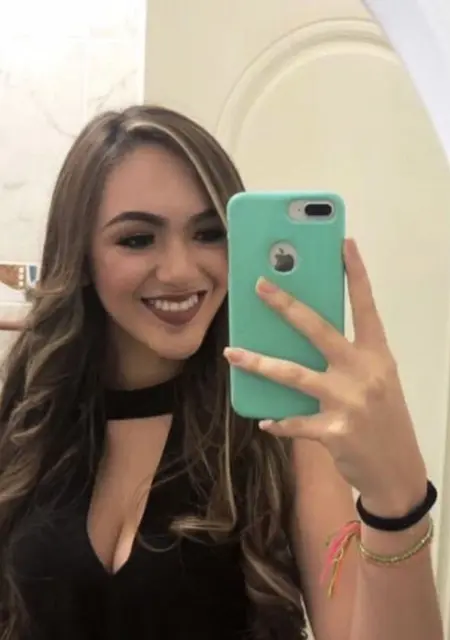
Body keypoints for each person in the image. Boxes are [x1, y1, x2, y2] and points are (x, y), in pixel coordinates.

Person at [0, 105, 443, 640]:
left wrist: (396, 500)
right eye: (137, 239)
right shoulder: (32, 415)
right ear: (82, 258)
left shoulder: (282, 423)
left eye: (209, 233)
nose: (181, 270)